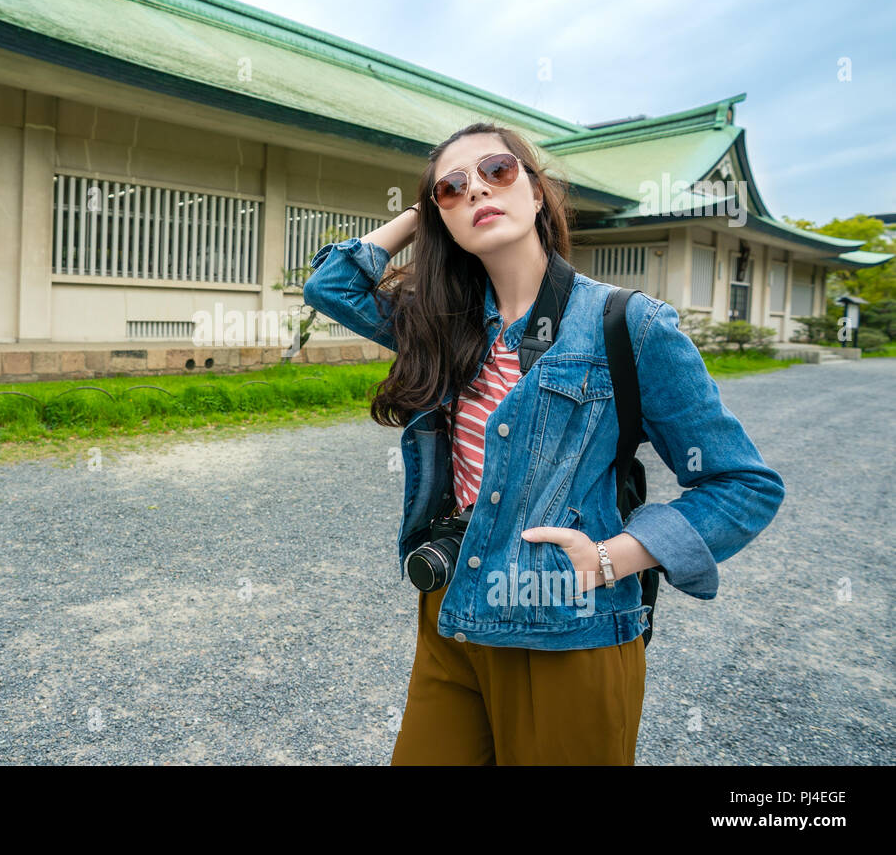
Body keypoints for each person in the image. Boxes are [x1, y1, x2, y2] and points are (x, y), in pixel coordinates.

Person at [302, 122, 785, 765]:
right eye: (452, 187)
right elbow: (330, 286)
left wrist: (613, 558)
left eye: (497, 172)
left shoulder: (626, 323)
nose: (475, 189)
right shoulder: (446, 324)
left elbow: (742, 484)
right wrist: (422, 214)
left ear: (537, 194)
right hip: (453, 602)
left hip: (566, 620)